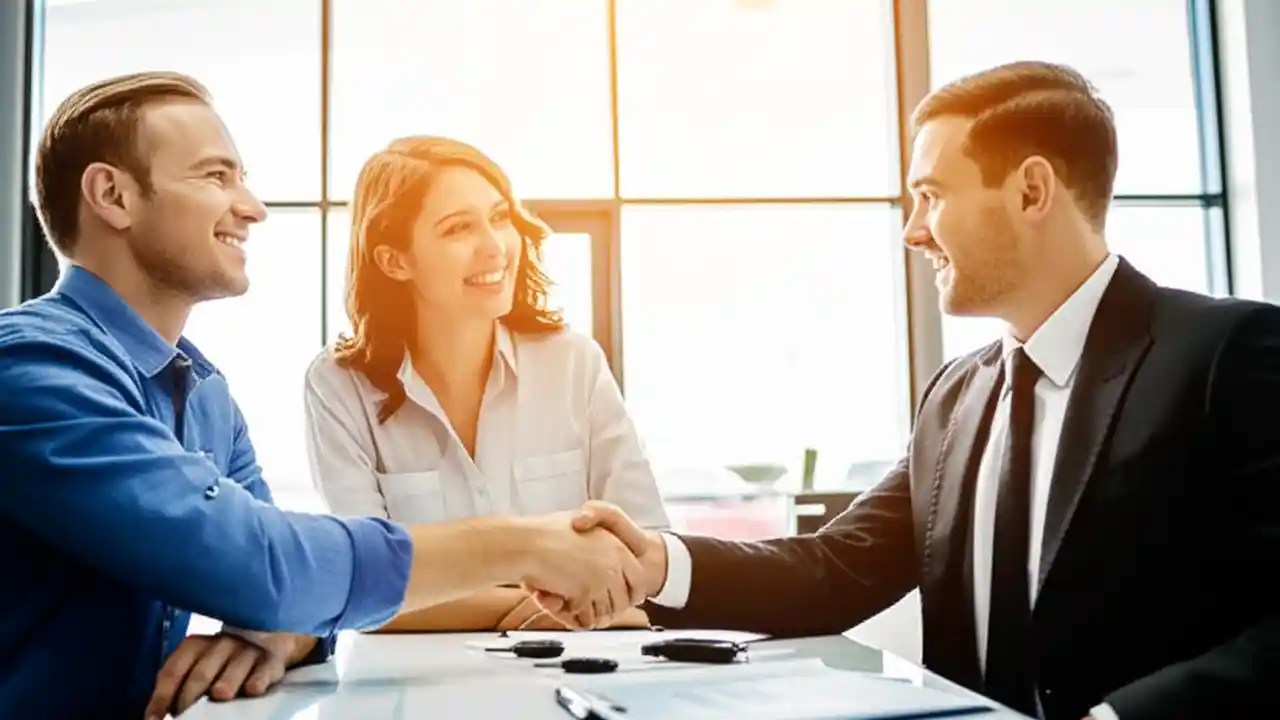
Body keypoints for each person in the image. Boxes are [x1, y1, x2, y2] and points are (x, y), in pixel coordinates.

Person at [540, 61, 1280, 720]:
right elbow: (837, 571)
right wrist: (656, 564)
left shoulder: (1224, 354)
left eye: (931, 196)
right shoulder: (957, 396)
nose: (913, 232)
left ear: (1031, 190)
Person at [0, 71, 645, 719]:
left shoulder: (205, 396)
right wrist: (527, 546)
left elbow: (284, 589)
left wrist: (281, 632)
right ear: (112, 195)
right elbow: (267, 563)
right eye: (215, 177)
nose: (251, 207)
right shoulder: (30, 365)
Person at [303, 136, 668, 633]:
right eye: (458, 229)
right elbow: (360, 588)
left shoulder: (572, 363)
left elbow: (645, 556)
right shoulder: (339, 386)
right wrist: (546, 607)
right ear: (394, 261)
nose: (495, 247)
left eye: (500, 218)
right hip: (413, 694)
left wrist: (428, 596)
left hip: (577, 673)